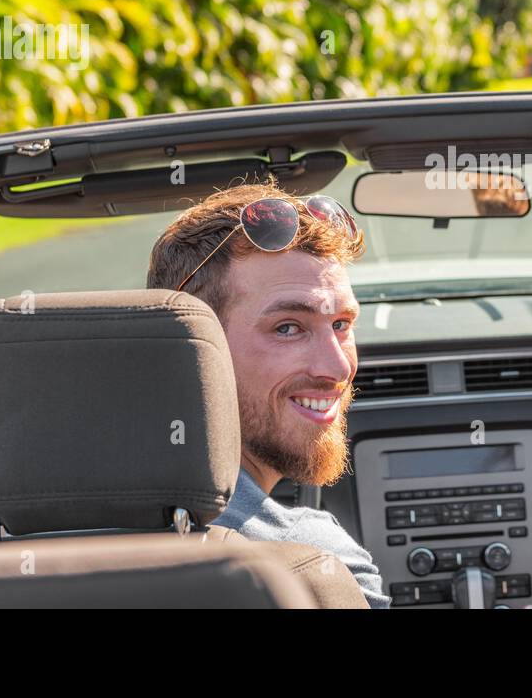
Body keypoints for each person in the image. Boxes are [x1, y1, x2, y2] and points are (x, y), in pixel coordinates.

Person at [146, 181, 389, 608]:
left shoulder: (4, 536)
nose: (337, 368)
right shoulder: (309, 563)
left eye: (342, 325)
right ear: (189, 346)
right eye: (288, 328)